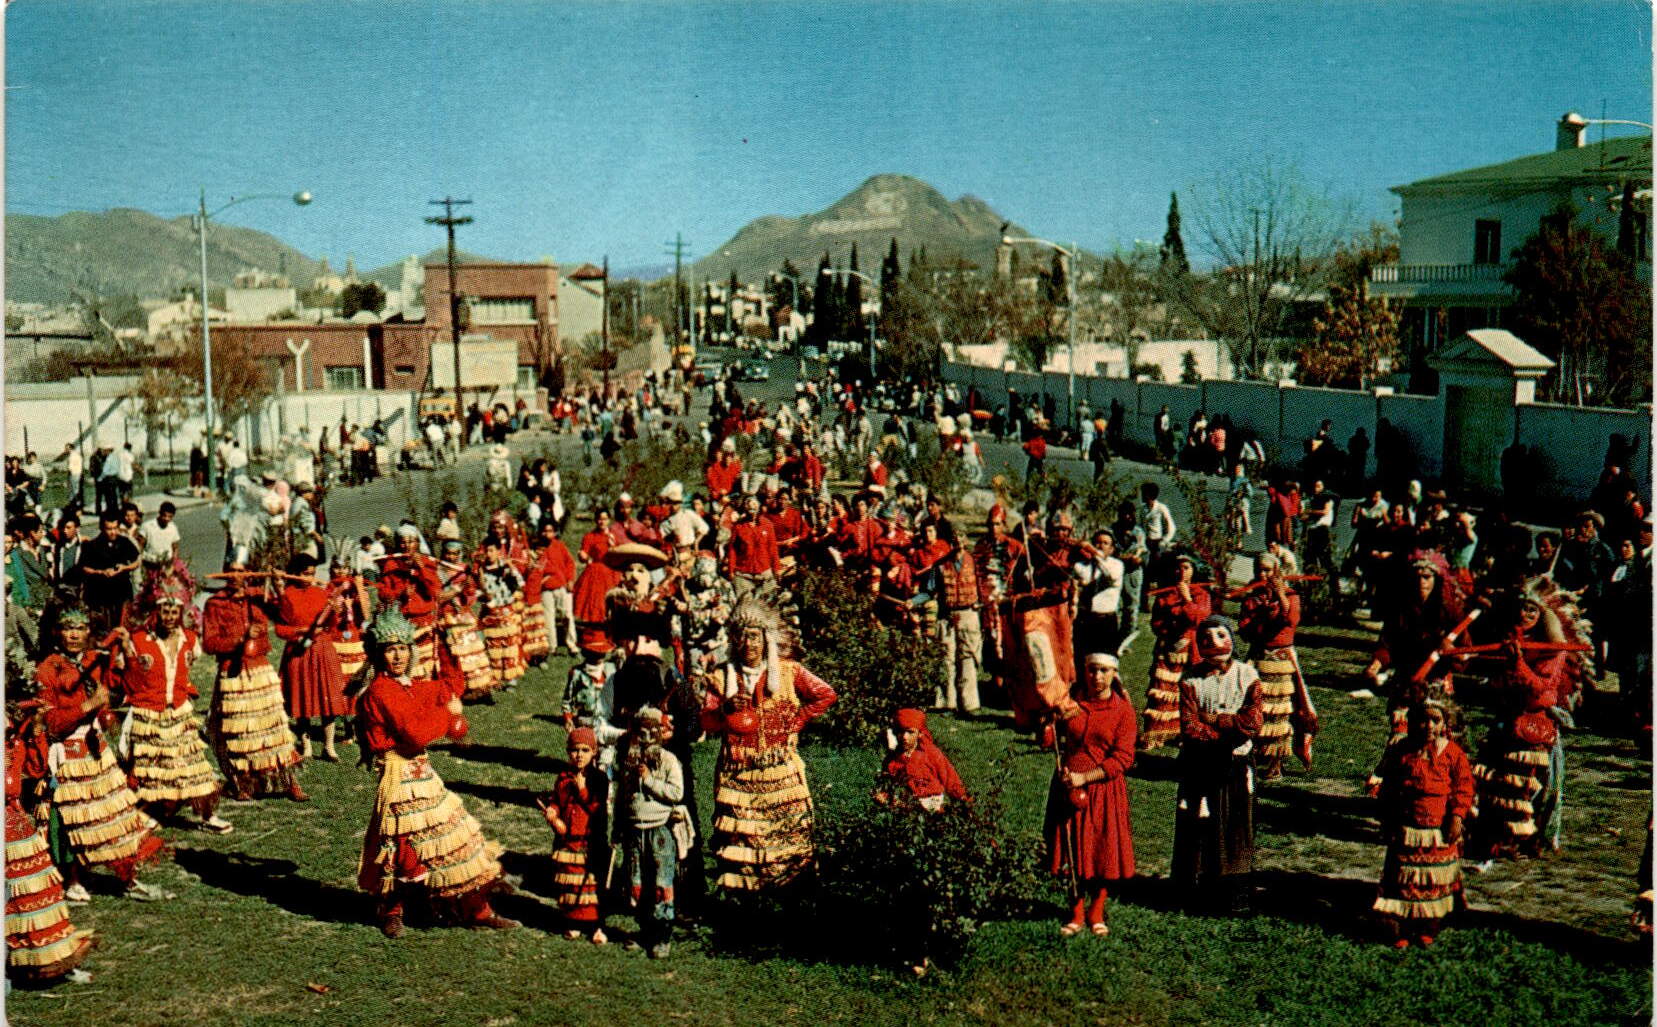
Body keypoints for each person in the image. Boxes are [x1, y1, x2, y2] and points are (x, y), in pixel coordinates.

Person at [355, 610, 516, 937]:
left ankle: (476, 909)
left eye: (403, 648)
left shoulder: (408, 686)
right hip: (398, 775)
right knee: (402, 847)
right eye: (390, 649)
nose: (398, 656)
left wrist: (446, 646)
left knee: (450, 835)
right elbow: (414, 734)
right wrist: (448, 715)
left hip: (421, 772)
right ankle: (392, 911)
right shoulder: (381, 691)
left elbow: (450, 690)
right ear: (378, 654)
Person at [34, 608, 171, 901]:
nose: (74, 634)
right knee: (74, 818)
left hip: (97, 750)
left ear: (89, 632)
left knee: (114, 814)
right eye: (68, 628)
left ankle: (128, 878)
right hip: (67, 754)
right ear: (57, 632)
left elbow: (130, 687)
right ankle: (73, 880)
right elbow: (51, 723)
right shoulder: (48, 668)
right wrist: (88, 705)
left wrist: (127, 651)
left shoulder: (94, 660)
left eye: (80, 628)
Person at [700, 597, 836, 893]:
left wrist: (796, 722)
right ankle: (747, 893)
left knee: (786, 829)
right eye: (741, 636)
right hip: (738, 771)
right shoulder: (722, 676)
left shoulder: (788, 671)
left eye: (754, 636)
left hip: (780, 769)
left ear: (766, 638)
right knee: (743, 834)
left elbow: (825, 694)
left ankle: (788, 890)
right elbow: (706, 723)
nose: (747, 643)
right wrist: (724, 710)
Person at [1172, 615, 1263, 912]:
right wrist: (1219, 736)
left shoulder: (1248, 676)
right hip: (1199, 762)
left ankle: (1235, 894)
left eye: (1220, 635)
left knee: (1236, 827)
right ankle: (1195, 892)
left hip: (1236, 763)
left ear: (1231, 639)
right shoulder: (1190, 680)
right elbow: (1189, 725)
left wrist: (1216, 720)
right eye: (1206, 637)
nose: (1213, 642)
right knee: (1198, 824)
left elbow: (1252, 722)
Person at [120, 593, 232, 833]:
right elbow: (128, 678)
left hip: (179, 712)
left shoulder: (189, 639)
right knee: (154, 769)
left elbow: (189, 666)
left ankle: (207, 816)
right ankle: (150, 811)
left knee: (194, 766)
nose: (169, 617)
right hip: (149, 714)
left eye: (173, 612)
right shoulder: (137, 640)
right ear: (155, 612)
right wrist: (126, 652)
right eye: (164, 611)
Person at [1045, 652, 1136, 937]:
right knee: (1070, 846)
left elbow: (1123, 758)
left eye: (1104, 671)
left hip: (1103, 789)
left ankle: (1096, 911)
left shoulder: (1123, 711)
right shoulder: (1071, 704)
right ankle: (1076, 912)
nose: (1097, 677)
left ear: (1114, 674)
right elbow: (1050, 739)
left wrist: (1085, 777)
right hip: (1068, 784)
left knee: (1101, 850)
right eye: (1092, 670)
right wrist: (1048, 724)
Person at [4, 706, 96, 986]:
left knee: (37, 891)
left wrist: (34, 734)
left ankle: (50, 960)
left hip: (15, 825)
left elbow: (36, 768)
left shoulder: (15, 740)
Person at [1371, 700, 1474, 948]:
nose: (1429, 726)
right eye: (1423, 720)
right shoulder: (1402, 751)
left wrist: (1457, 817)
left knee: (1432, 880)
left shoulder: (1453, 753)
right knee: (1404, 879)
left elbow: (1463, 788)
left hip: (1438, 830)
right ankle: (1401, 925)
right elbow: (1389, 787)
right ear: (1413, 722)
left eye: (1435, 720)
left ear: (1444, 724)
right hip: (1406, 828)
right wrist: (1388, 819)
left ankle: (1428, 925)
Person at [202, 570, 308, 802]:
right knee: (240, 731)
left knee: (274, 728)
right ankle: (244, 784)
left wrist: (279, 587)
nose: (236, 576)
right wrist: (241, 639)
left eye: (241, 571)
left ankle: (289, 782)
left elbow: (287, 617)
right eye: (232, 571)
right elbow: (209, 644)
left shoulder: (259, 596)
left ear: (248, 574)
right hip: (233, 673)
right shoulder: (215, 603)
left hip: (261, 670)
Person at [615, 707, 688, 959]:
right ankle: (643, 929)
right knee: (636, 881)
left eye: (651, 732)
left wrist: (648, 780)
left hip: (660, 830)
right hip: (634, 830)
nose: (645, 738)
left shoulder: (668, 760)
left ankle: (661, 935)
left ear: (660, 733)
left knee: (661, 883)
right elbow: (622, 797)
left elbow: (677, 793)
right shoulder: (629, 760)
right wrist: (617, 827)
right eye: (640, 733)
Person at [273, 554, 351, 761]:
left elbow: (332, 626)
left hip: (322, 649)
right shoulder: (287, 595)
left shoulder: (321, 593)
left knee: (327, 697)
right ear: (294, 574)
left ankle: (329, 746)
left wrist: (335, 613)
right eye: (305, 574)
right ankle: (306, 746)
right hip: (299, 651)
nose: (309, 578)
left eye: (313, 574)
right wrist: (300, 632)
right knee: (302, 698)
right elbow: (280, 628)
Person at [1238, 553, 1308, 781]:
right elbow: (1244, 630)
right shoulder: (1251, 598)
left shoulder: (1291, 596)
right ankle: (1254, 755)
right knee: (1253, 706)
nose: (1262, 574)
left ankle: (1275, 761)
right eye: (1258, 570)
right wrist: (1259, 619)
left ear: (1277, 572)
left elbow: (1290, 621)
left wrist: (1279, 596)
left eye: (1267, 570)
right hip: (1258, 658)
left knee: (1279, 711)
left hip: (1281, 661)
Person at [540, 726, 609, 945]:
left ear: (594, 752)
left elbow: (597, 809)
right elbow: (556, 801)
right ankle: (574, 921)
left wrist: (583, 791)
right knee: (570, 882)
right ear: (568, 752)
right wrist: (553, 811)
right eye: (575, 750)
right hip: (567, 840)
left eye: (585, 750)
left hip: (589, 842)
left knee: (591, 885)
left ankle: (597, 926)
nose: (579, 755)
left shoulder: (600, 779)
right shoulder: (562, 778)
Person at [1140, 554, 1210, 750]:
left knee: (1187, 693)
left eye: (1186, 568)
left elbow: (1199, 618)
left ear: (1194, 571)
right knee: (1162, 691)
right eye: (1178, 568)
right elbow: (1156, 622)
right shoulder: (1165, 594)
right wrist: (1169, 631)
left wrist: (1187, 598)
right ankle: (1156, 733)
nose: (1181, 572)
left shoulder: (1201, 594)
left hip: (1190, 651)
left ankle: (1183, 733)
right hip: (1167, 649)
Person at [874, 707, 968, 812]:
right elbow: (888, 784)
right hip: (905, 804)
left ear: (920, 734)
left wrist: (963, 800)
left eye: (910, 732)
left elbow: (950, 777)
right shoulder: (892, 760)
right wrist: (883, 796)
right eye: (901, 731)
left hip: (932, 803)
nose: (905, 737)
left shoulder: (931, 753)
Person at [76, 512, 140, 634]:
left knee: (123, 629)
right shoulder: (93, 545)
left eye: (115, 528)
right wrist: (100, 572)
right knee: (103, 630)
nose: (113, 532)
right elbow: (84, 567)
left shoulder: (125, 542)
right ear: (101, 528)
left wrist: (124, 568)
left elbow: (136, 562)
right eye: (109, 529)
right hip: (101, 596)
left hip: (122, 593)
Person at [477, 534, 527, 690]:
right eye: (486, 551)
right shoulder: (481, 569)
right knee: (494, 645)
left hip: (506, 610)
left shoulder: (506, 567)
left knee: (509, 643)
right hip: (491, 612)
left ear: (499, 551)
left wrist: (511, 569)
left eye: (491, 550)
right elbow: (479, 591)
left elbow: (520, 583)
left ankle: (511, 678)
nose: (488, 554)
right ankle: (496, 677)